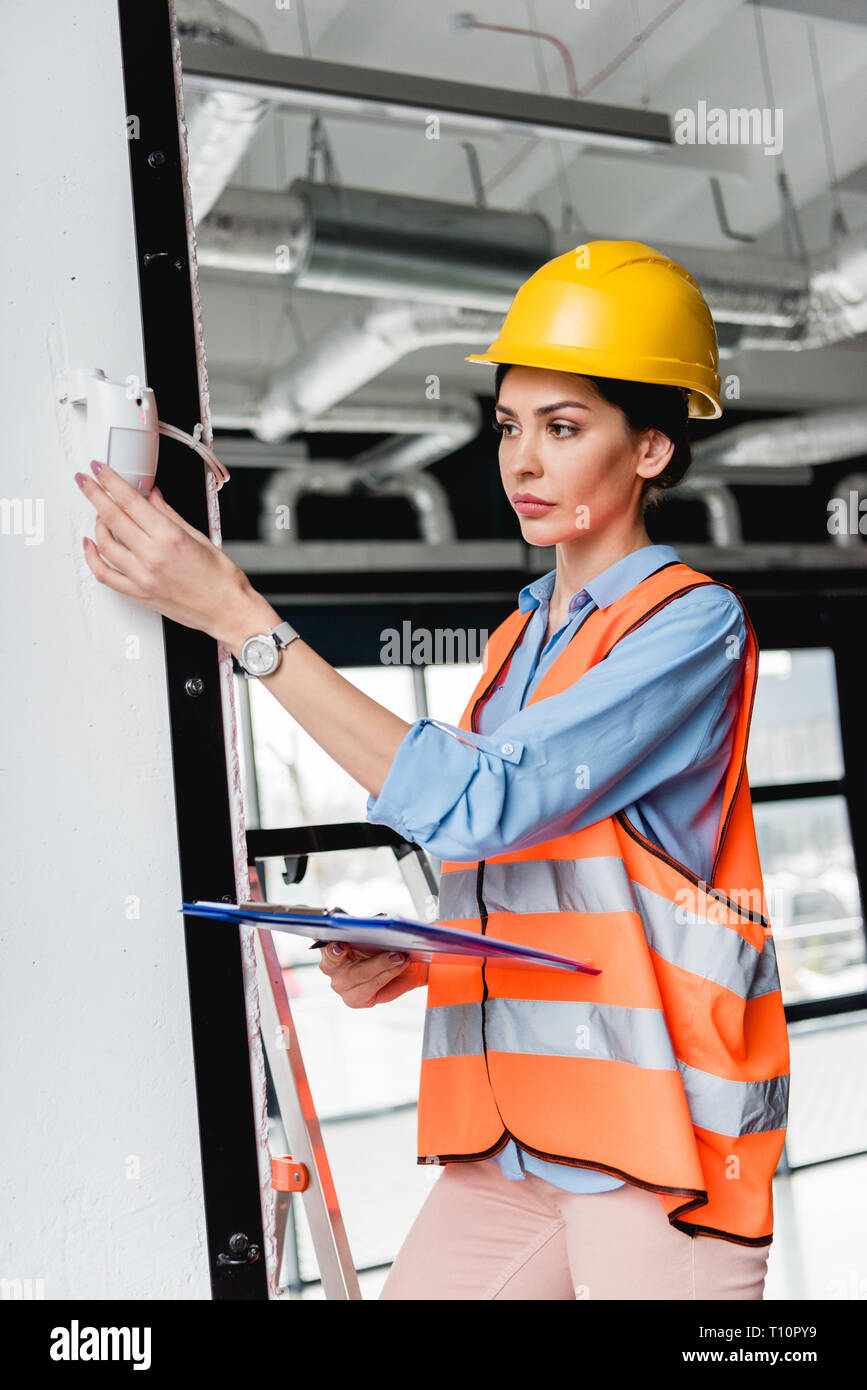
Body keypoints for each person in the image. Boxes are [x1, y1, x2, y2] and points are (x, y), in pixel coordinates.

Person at [76, 240, 790, 1301]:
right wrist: (426, 959)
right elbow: (559, 874)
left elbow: (481, 804)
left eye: (563, 428)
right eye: (509, 428)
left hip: (665, 1151)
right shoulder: (522, 639)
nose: (522, 464)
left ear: (648, 449)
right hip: (518, 1139)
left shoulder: (688, 625)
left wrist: (242, 620)